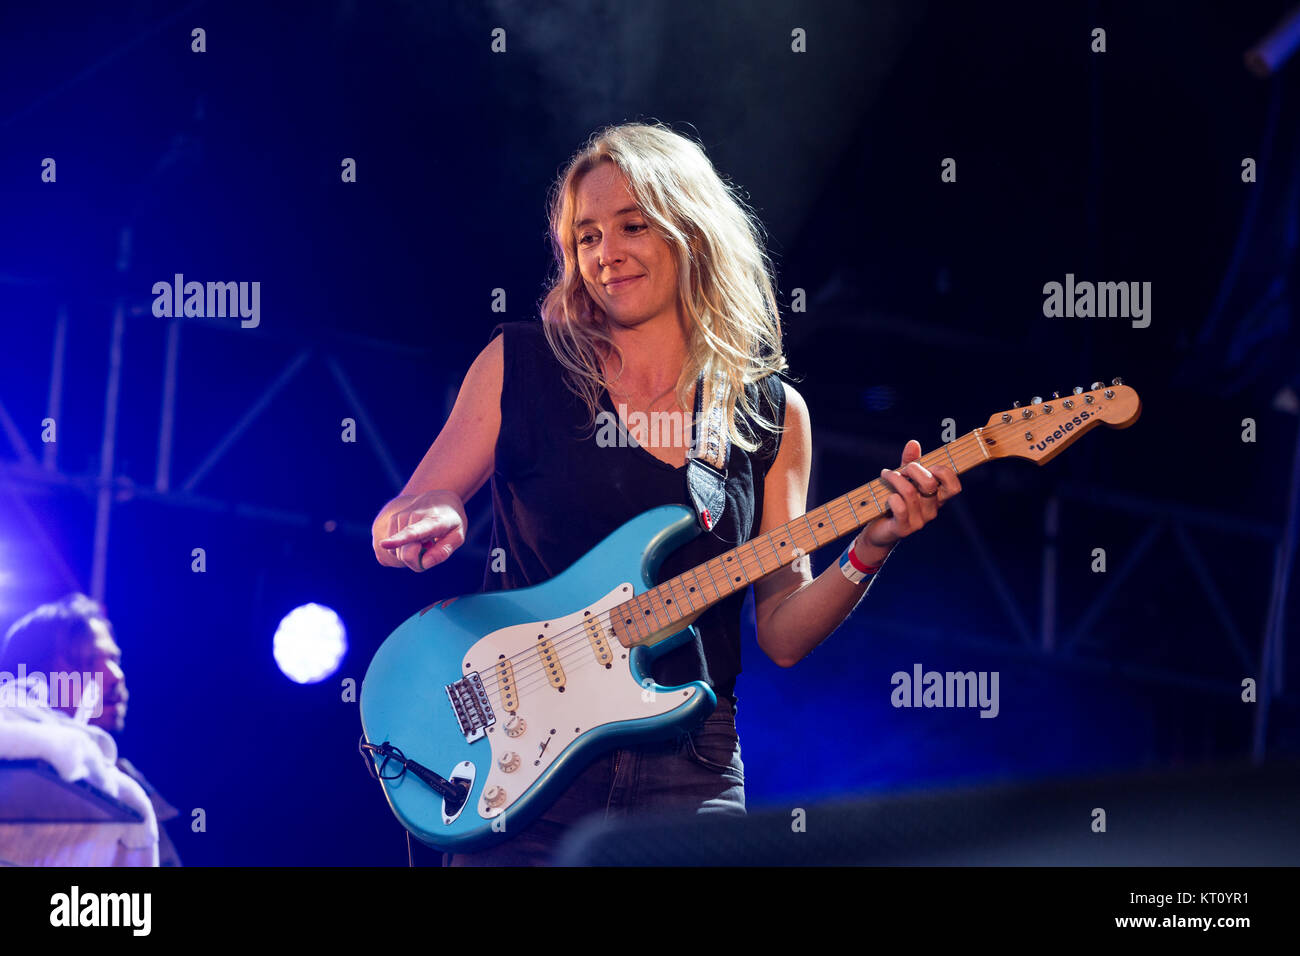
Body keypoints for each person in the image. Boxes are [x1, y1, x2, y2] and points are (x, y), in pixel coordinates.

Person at [370, 121, 962, 865]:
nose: (604, 253)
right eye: (585, 235)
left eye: (632, 225)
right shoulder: (520, 364)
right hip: (520, 757)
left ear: (692, 232)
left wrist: (873, 546)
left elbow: (780, 629)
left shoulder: (770, 413)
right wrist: (424, 516)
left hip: (690, 770)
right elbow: (413, 506)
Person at [0, 593, 183, 866]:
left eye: (115, 660)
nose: (115, 675)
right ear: (30, 678)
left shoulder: (132, 791)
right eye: (86, 662)